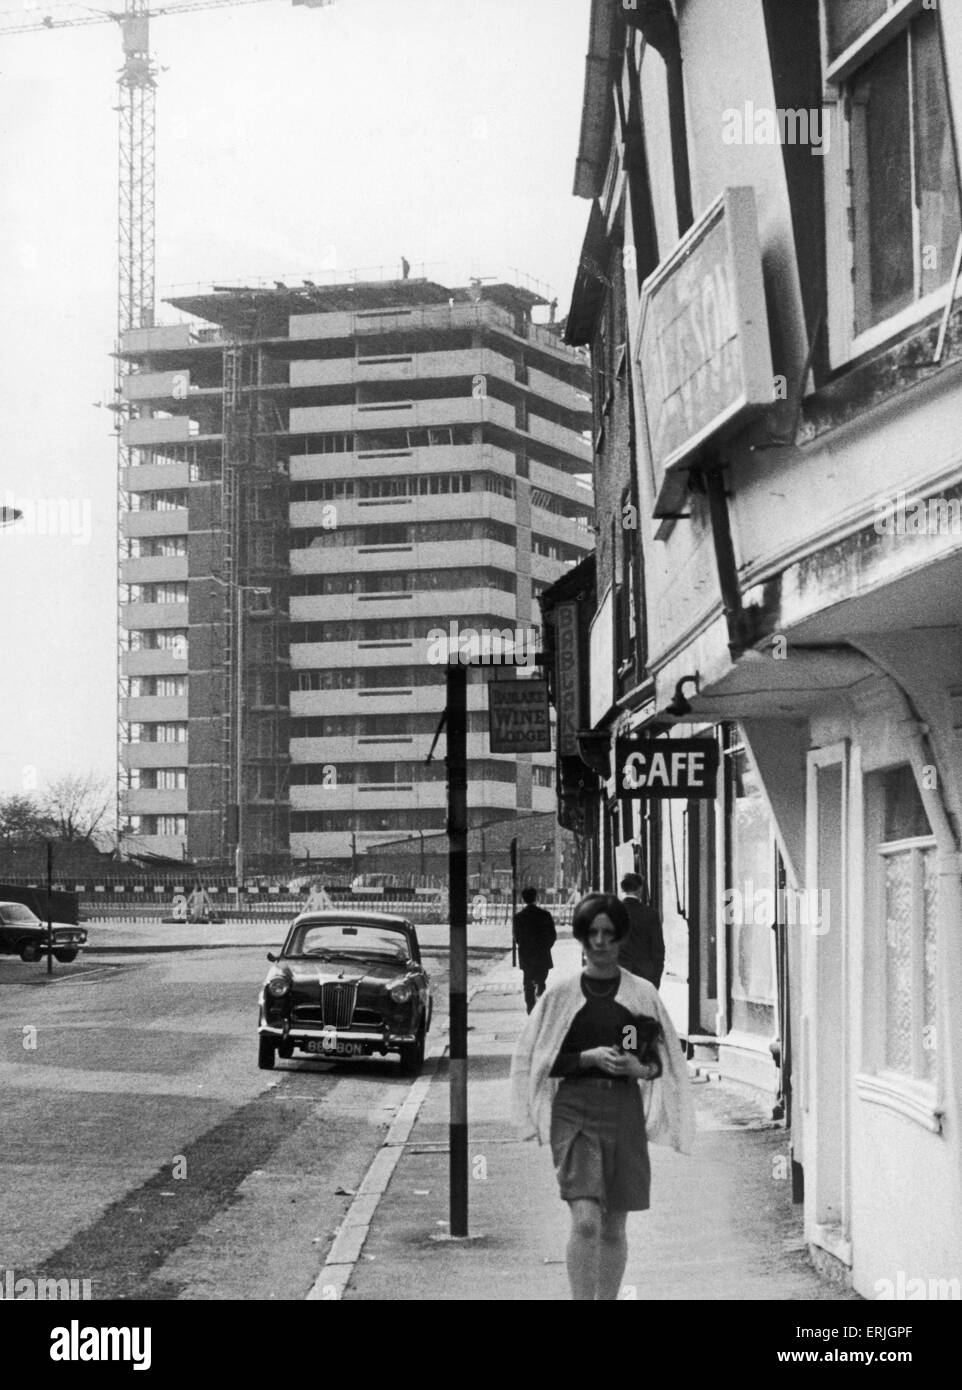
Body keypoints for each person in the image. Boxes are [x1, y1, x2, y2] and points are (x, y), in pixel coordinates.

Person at [510, 893, 694, 1301]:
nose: (600, 942)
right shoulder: (562, 997)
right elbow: (543, 1059)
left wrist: (637, 1067)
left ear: (620, 938)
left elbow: (646, 1052)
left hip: (623, 1112)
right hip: (575, 1111)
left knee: (613, 1225)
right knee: (587, 1219)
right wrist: (586, 1057)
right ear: (580, 937)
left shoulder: (638, 995)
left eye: (608, 934)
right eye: (591, 933)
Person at [513, 886, 557, 1013]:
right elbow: (552, 936)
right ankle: (540, 1005)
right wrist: (545, 947)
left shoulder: (518, 917)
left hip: (526, 956)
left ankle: (530, 1008)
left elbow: (517, 938)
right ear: (536, 898)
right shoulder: (545, 915)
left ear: (523, 899)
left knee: (527, 982)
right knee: (541, 980)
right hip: (542, 955)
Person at [619, 871, 665, 987]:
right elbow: (658, 950)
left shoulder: (612, 912)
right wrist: (655, 981)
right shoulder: (650, 914)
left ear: (622, 889)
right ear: (640, 890)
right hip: (645, 977)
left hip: (620, 976)